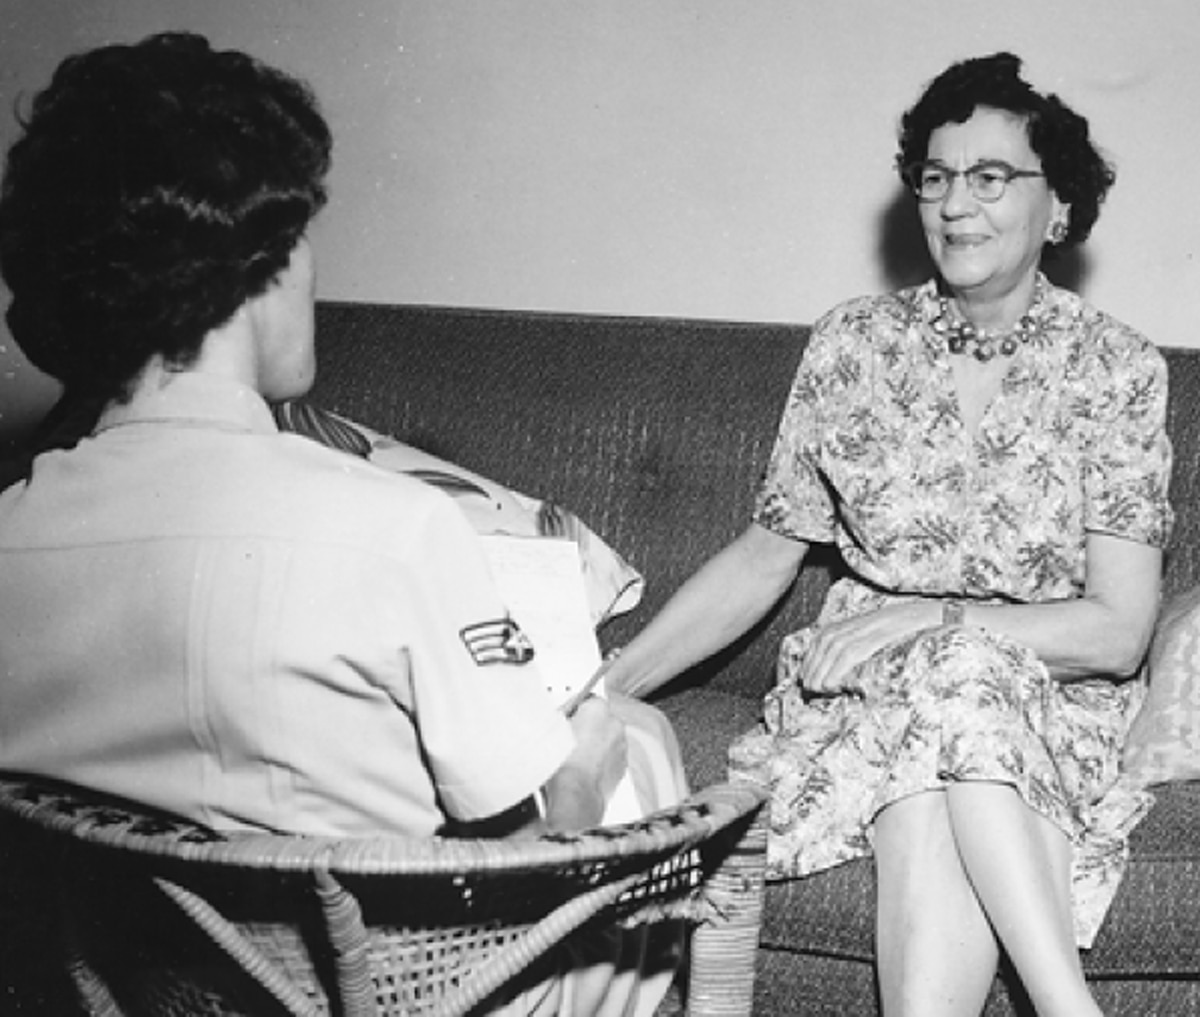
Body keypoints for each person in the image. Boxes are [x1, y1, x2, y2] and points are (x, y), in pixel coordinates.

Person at [0, 31, 683, 1015]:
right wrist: (586, 743)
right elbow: (536, 829)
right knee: (628, 736)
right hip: (409, 994)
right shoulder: (392, 528)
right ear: (261, 266)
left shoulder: (16, 527)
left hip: (132, 990)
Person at [601, 51, 1173, 1017]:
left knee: (948, 717)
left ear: (1060, 206)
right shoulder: (853, 345)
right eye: (937, 179)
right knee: (934, 744)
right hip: (862, 696)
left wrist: (929, 617)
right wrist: (603, 687)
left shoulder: (1116, 370)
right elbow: (768, 547)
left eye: (991, 178)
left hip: (1047, 703)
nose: (955, 205)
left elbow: (1118, 631)